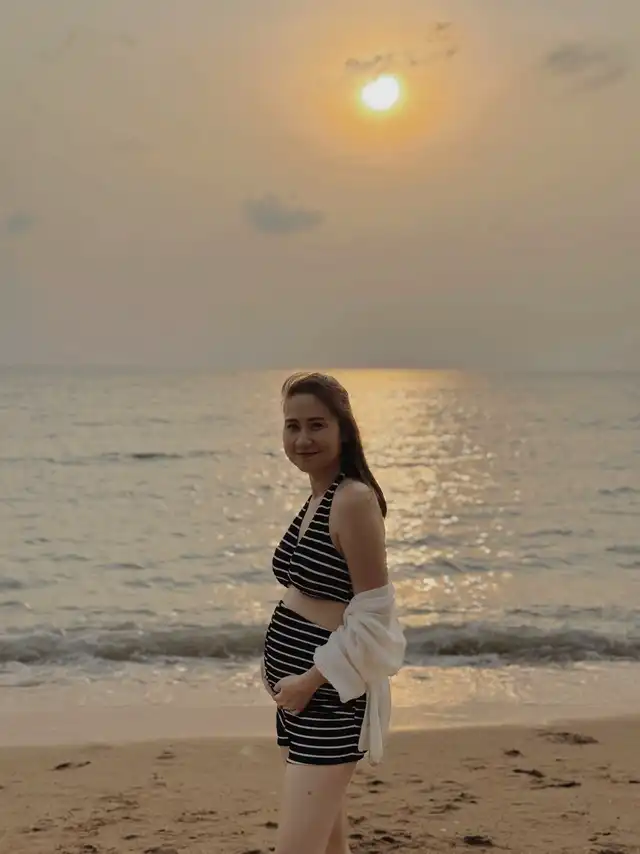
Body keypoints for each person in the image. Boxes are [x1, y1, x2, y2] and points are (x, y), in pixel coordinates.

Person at [261, 371, 406, 854]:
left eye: (317, 425)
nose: (302, 438)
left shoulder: (353, 500)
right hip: (302, 700)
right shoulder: (320, 495)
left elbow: (374, 619)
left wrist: (308, 681)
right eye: (292, 425)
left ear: (344, 429)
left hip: (328, 704)